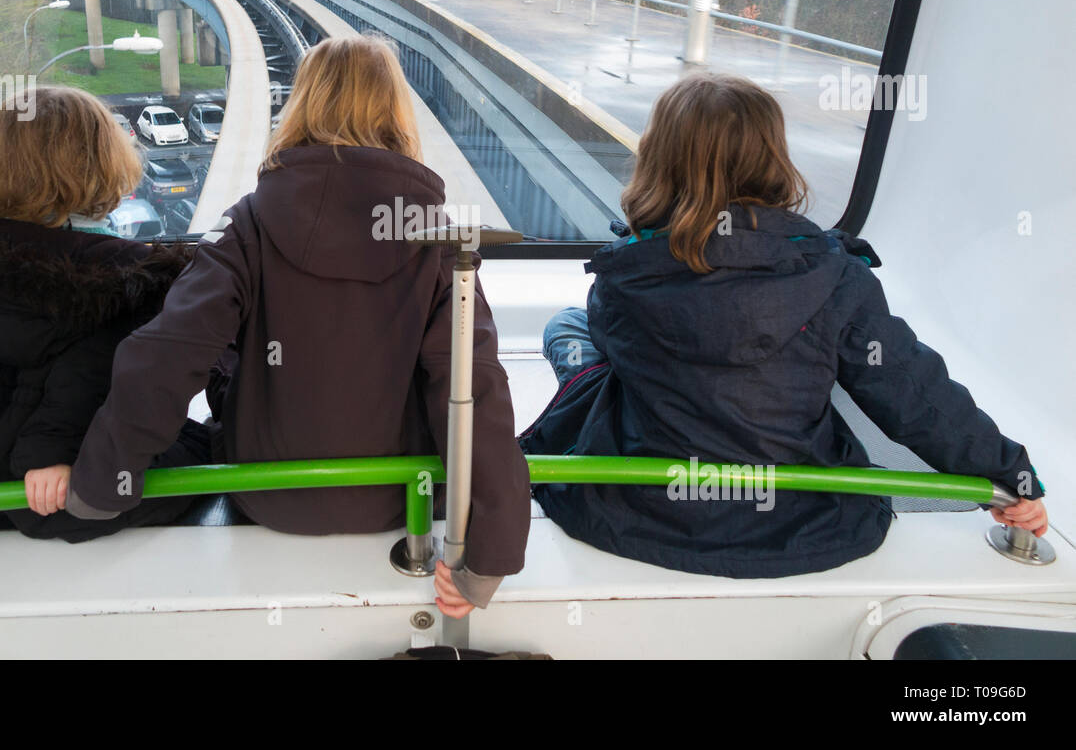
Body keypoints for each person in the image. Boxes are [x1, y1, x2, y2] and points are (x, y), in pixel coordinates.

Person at [65, 34, 531, 614]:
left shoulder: (249, 225)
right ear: (396, 113)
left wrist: (103, 486)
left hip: (268, 496)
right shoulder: (436, 238)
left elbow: (169, 351)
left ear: (303, 103)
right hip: (395, 500)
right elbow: (474, 388)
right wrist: (489, 560)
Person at [521, 72, 1046, 578]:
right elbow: (913, 394)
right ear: (774, 158)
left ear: (658, 160)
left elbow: (621, 347)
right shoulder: (837, 276)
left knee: (568, 325)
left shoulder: (623, 276)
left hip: (639, 511)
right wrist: (1009, 475)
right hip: (799, 519)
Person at [0, 86, 213, 540]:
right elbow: (98, 376)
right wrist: (55, 457)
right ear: (105, 162)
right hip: (59, 495)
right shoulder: (129, 272)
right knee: (204, 445)